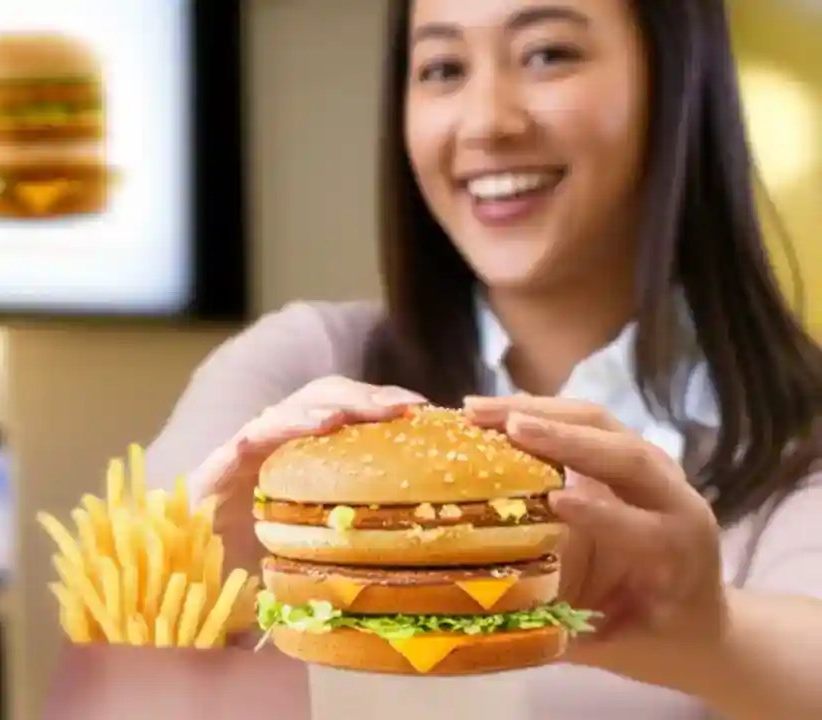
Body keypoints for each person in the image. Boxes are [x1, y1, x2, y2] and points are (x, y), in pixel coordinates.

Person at [142, 1, 822, 718]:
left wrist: (705, 630)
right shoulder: (301, 363)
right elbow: (118, 611)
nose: (488, 122)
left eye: (548, 54)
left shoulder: (798, 434)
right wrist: (190, 565)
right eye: (443, 68)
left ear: (676, 80)